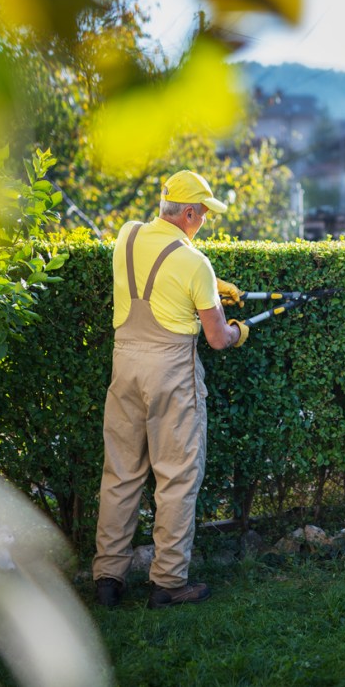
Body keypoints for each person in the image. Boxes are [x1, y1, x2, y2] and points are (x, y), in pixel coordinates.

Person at [92, 170, 248, 610]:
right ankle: (168, 583)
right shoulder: (195, 262)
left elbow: (155, 276)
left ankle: (107, 579)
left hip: (125, 366)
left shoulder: (127, 235)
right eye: (202, 215)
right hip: (170, 372)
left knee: (120, 474)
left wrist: (208, 290)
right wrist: (238, 330)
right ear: (189, 213)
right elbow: (217, 338)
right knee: (177, 477)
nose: (203, 223)